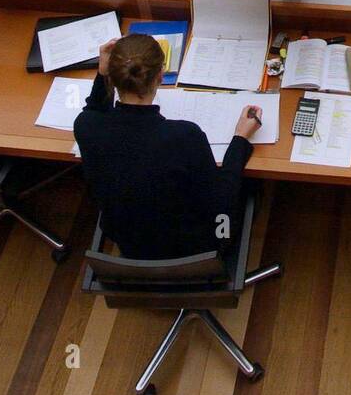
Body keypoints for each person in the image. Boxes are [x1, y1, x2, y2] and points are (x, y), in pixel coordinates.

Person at [74, 34, 261, 262]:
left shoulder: (86, 127)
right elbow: (221, 200)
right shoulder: (183, 136)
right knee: (247, 185)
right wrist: (240, 139)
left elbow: (94, 111)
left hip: (132, 244)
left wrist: (102, 74)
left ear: (112, 77)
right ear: (160, 76)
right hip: (199, 249)